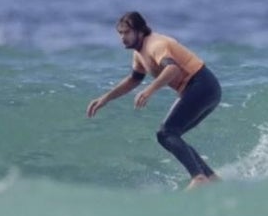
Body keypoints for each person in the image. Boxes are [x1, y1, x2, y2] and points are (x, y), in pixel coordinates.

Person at [86, 12, 223, 189]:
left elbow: (172, 69)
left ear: (140, 31)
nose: (122, 38)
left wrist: (150, 90)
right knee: (171, 134)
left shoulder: (155, 45)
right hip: (205, 88)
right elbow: (134, 79)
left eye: (127, 32)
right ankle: (211, 178)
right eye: (120, 33)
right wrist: (105, 98)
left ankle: (198, 178)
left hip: (201, 85)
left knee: (166, 133)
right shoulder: (139, 52)